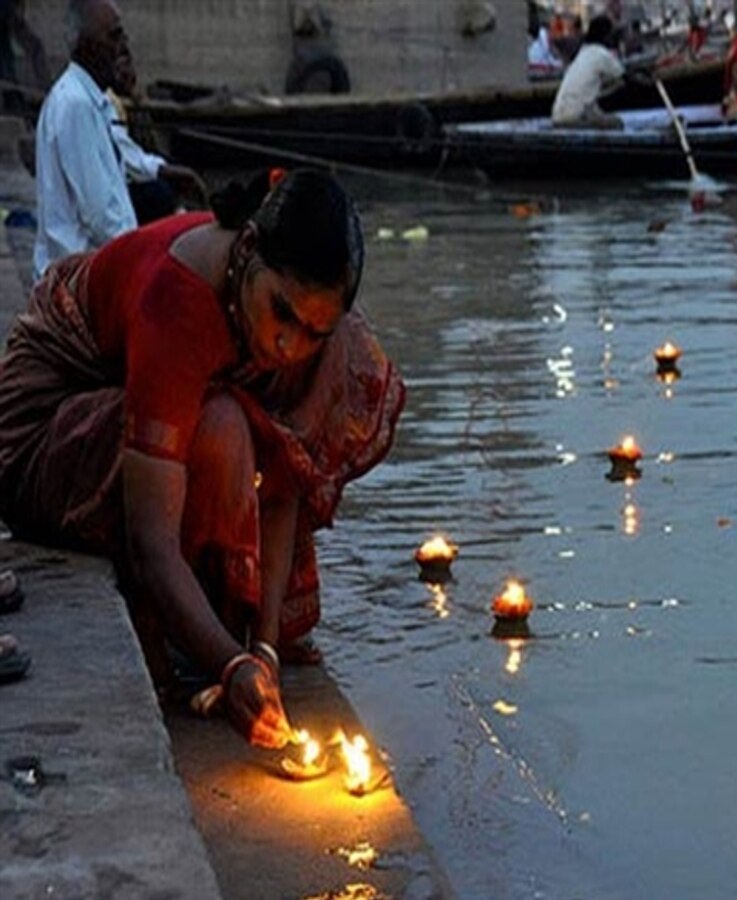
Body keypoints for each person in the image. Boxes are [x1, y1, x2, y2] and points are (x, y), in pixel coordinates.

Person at [0, 168, 406, 747]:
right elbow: (151, 541)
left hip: (132, 407)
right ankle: (181, 631)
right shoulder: (180, 305)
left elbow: (287, 473)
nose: (288, 345)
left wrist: (262, 651)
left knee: (252, 421)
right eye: (281, 314)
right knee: (220, 430)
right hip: (41, 431)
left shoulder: (313, 324)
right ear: (246, 250)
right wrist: (228, 665)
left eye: (312, 330)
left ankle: (220, 629)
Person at [33, 0, 135, 279]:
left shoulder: (90, 101)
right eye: (113, 37)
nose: (122, 46)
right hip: (79, 277)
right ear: (86, 46)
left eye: (122, 35)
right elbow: (100, 215)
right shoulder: (75, 105)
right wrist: (142, 256)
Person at [109, 47, 207, 224]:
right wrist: (170, 172)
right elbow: (130, 160)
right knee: (158, 192)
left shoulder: (135, 102)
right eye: (118, 68)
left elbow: (149, 149)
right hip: (120, 183)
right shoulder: (106, 103)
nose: (125, 73)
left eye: (128, 65)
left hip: (140, 167)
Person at [551, 15, 625, 130]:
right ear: (606, 35)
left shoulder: (583, 53)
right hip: (575, 117)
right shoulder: (602, 54)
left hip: (558, 116)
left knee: (598, 114)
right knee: (617, 123)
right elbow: (622, 75)